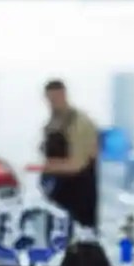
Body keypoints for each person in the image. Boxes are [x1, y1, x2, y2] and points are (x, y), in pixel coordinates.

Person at [39, 79, 100, 228]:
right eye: (50, 99)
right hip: (56, 193)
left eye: (56, 98)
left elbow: (77, 164)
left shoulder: (79, 122)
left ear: (64, 95)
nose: (53, 103)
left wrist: (45, 167)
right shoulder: (52, 123)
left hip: (79, 193)